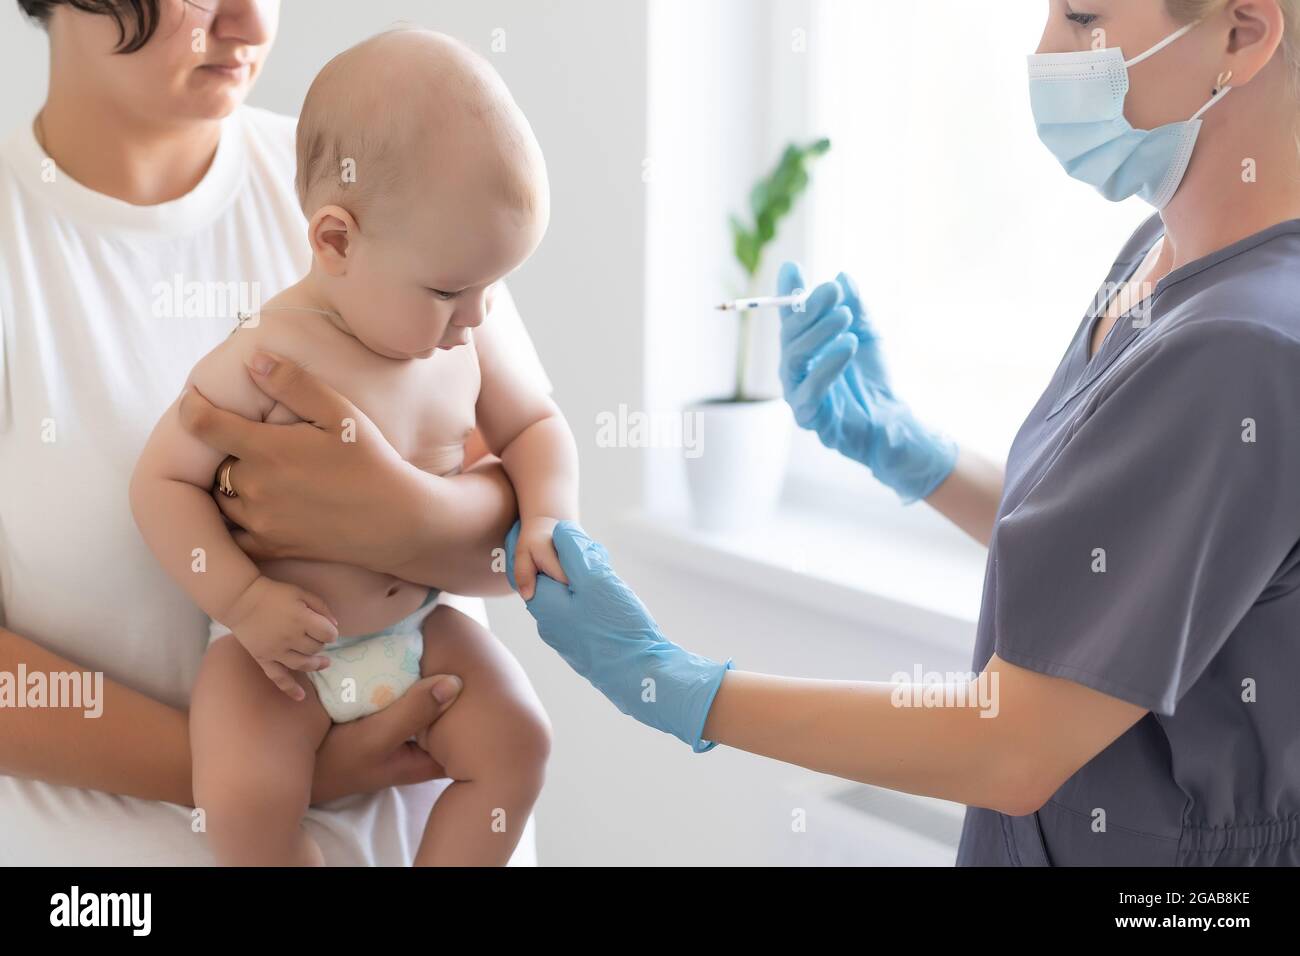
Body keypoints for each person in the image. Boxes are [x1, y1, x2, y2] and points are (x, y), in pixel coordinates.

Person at [504, 0, 1300, 865]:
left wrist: (677, 684)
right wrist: (911, 452)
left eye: (1082, 17)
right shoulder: (1161, 253)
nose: (1042, 53)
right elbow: (1119, 563)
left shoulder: (1240, 348)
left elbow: (1012, 746)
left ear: (1242, 34)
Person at [0, 0, 550, 865]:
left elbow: (528, 515)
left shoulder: (396, 173)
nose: (251, 19)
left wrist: (400, 515)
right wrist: (271, 771)